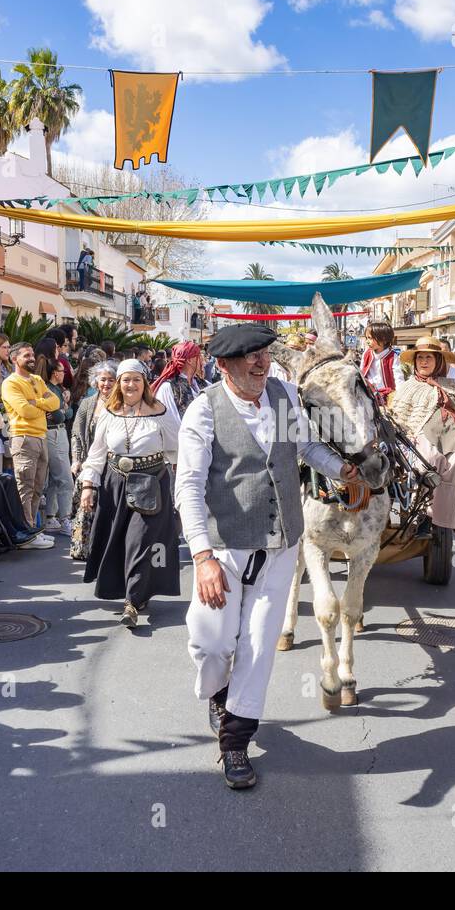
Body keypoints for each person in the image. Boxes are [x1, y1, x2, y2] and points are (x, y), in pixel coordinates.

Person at [176, 324, 358, 789]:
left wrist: (343, 470)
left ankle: (235, 742)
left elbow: (306, 447)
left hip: (280, 547)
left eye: (264, 354)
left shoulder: (282, 396)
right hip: (225, 549)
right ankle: (219, 694)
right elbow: (189, 488)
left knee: (257, 647)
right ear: (223, 365)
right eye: (249, 358)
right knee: (211, 644)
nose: (261, 363)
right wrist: (202, 558)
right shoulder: (204, 411)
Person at [78, 359, 182, 627]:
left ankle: (131, 602)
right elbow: (97, 453)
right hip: (115, 484)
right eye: (126, 380)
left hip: (150, 483)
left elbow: (178, 447)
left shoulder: (159, 411)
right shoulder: (109, 413)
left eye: (136, 379)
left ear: (144, 382)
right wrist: (88, 485)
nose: (131, 384)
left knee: (141, 541)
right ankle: (135, 591)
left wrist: (181, 481)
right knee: (119, 541)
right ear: (119, 383)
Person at [388, 336, 455, 543]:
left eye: (428, 357)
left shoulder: (453, 384)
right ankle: (423, 515)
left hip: (452, 432)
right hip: (420, 434)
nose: (424, 361)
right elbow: (398, 418)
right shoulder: (407, 386)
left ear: (438, 361)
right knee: (428, 462)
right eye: (420, 358)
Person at [1, 343, 60, 530]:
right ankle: (25, 529)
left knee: (37, 488)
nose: (32, 358)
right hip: (24, 438)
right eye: (26, 355)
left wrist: (37, 402)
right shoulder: (10, 383)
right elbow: (24, 411)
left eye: (32, 354)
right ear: (14, 359)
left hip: (41, 437)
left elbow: (56, 402)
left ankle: (32, 526)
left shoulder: (36, 379)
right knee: (24, 488)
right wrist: (43, 407)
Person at [37, 349, 74, 536]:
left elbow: (66, 413)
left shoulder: (57, 390)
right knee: (65, 478)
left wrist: (64, 409)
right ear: (54, 372)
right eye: (61, 371)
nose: (64, 373)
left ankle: (51, 517)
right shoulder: (50, 390)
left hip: (57, 433)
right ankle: (65, 517)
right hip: (53, 434)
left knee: (54, 478)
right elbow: (61, 415)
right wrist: (64, 409)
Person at [71, 361, 116, 474]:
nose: (107, 383)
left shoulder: (123, 404)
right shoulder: (87, 403)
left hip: (114, 464)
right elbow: (77, 434)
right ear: (96, 381)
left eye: (111, 380)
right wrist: (76, 460)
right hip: (90, 461)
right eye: (103, 379)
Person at [360, 321, 403, 402]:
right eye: (366, 338)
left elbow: (398, 377)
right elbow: (361, 372)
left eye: (370, 338)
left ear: (383, 339)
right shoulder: (366, 353)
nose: (367, 341)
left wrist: (399, 395)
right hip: (368, 393)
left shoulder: (392, 356)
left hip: (387, 396)